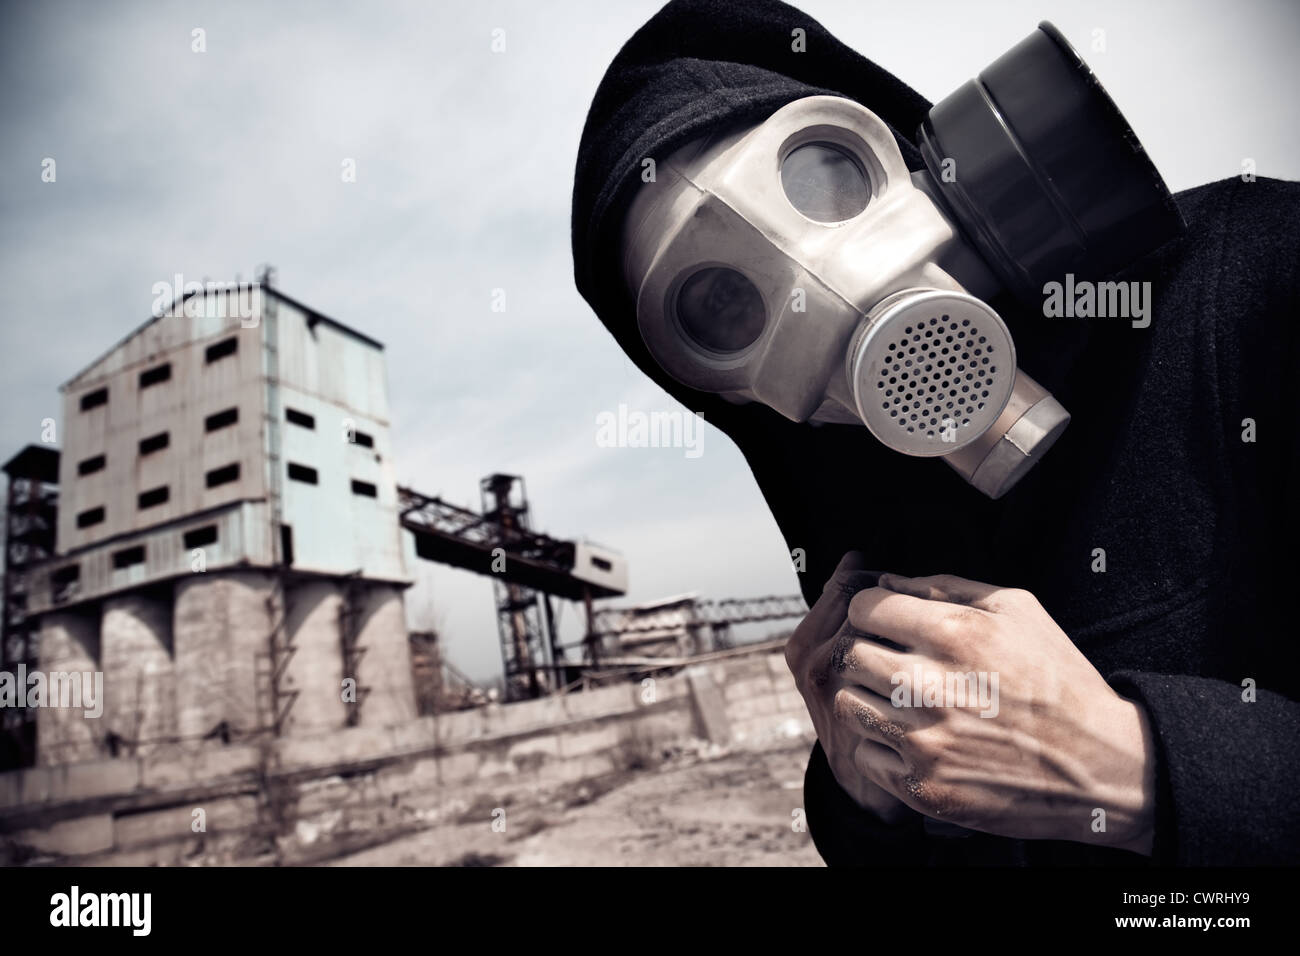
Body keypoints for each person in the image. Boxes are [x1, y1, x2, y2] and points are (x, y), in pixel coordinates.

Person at [571, 0, 1299, 865]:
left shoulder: (1257, 279)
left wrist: (1137, 770)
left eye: (820, 178)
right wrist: (863, 799)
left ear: (903, 148)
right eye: (722, 305)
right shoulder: (861, 531)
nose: (820, 287)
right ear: (721, 390)